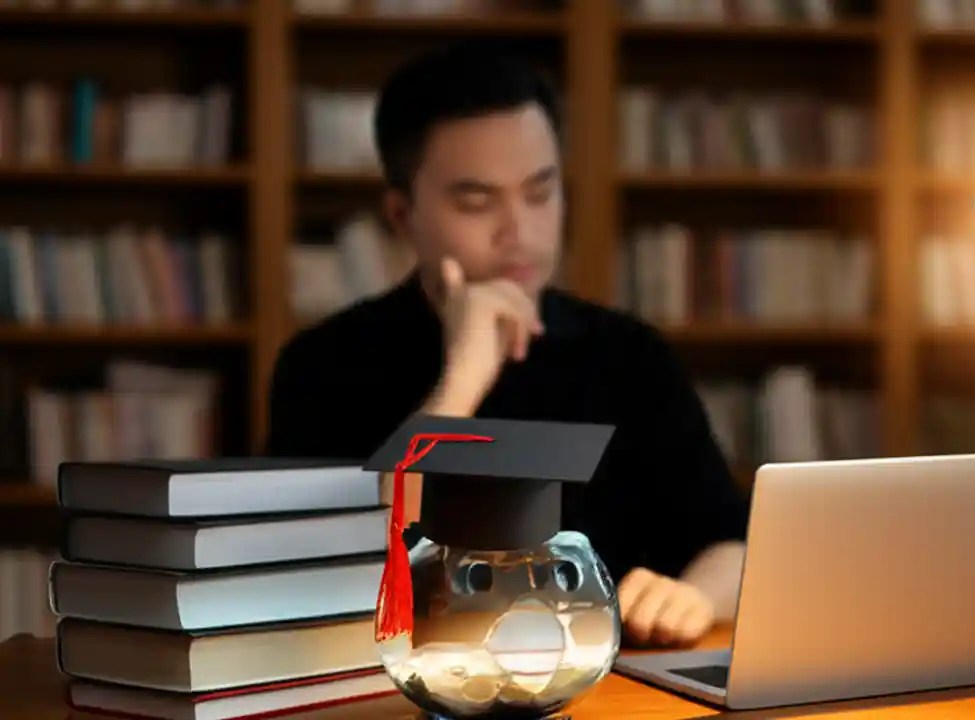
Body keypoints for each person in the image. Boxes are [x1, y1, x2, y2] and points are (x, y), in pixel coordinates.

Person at [266, 44, 748, 648]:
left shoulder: (629, 355)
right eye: (477, 201)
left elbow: (728, 541)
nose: (519, 232)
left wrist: (694, 595)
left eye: (541, 193)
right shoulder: (323, 365)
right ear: (402, 215)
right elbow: (335, 575)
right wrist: (462, 379)